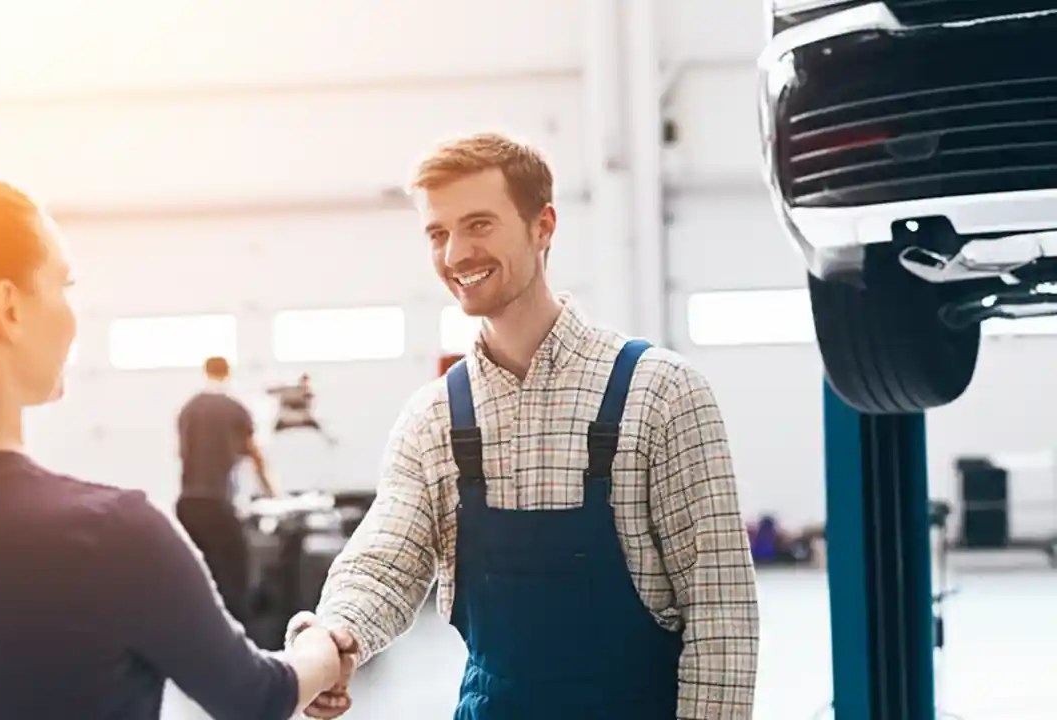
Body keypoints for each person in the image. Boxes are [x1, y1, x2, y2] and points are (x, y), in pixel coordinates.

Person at [0, 175, 353, 720]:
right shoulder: (112, 534)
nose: (74, 319)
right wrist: (320, 646)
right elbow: (258, 696)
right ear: (9, 308)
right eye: (63, 285)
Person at [287, 133, 760, 719]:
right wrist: (332, 637)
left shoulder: (661, 394)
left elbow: (720, 614)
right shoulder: (434, 419)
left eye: (479, 225)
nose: (456, 254)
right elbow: (384, 562)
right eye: (438, 233)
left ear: (543, 227)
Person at [177, 355, 276, 625]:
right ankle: (240, 636)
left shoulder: (188, 408)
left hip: (187, 503)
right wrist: (271, 492)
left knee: (198, 576)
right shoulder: (235, 408)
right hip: (217, 502)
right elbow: (254, 453)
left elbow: (183, 453)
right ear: (227, 373)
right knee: (235, 578)